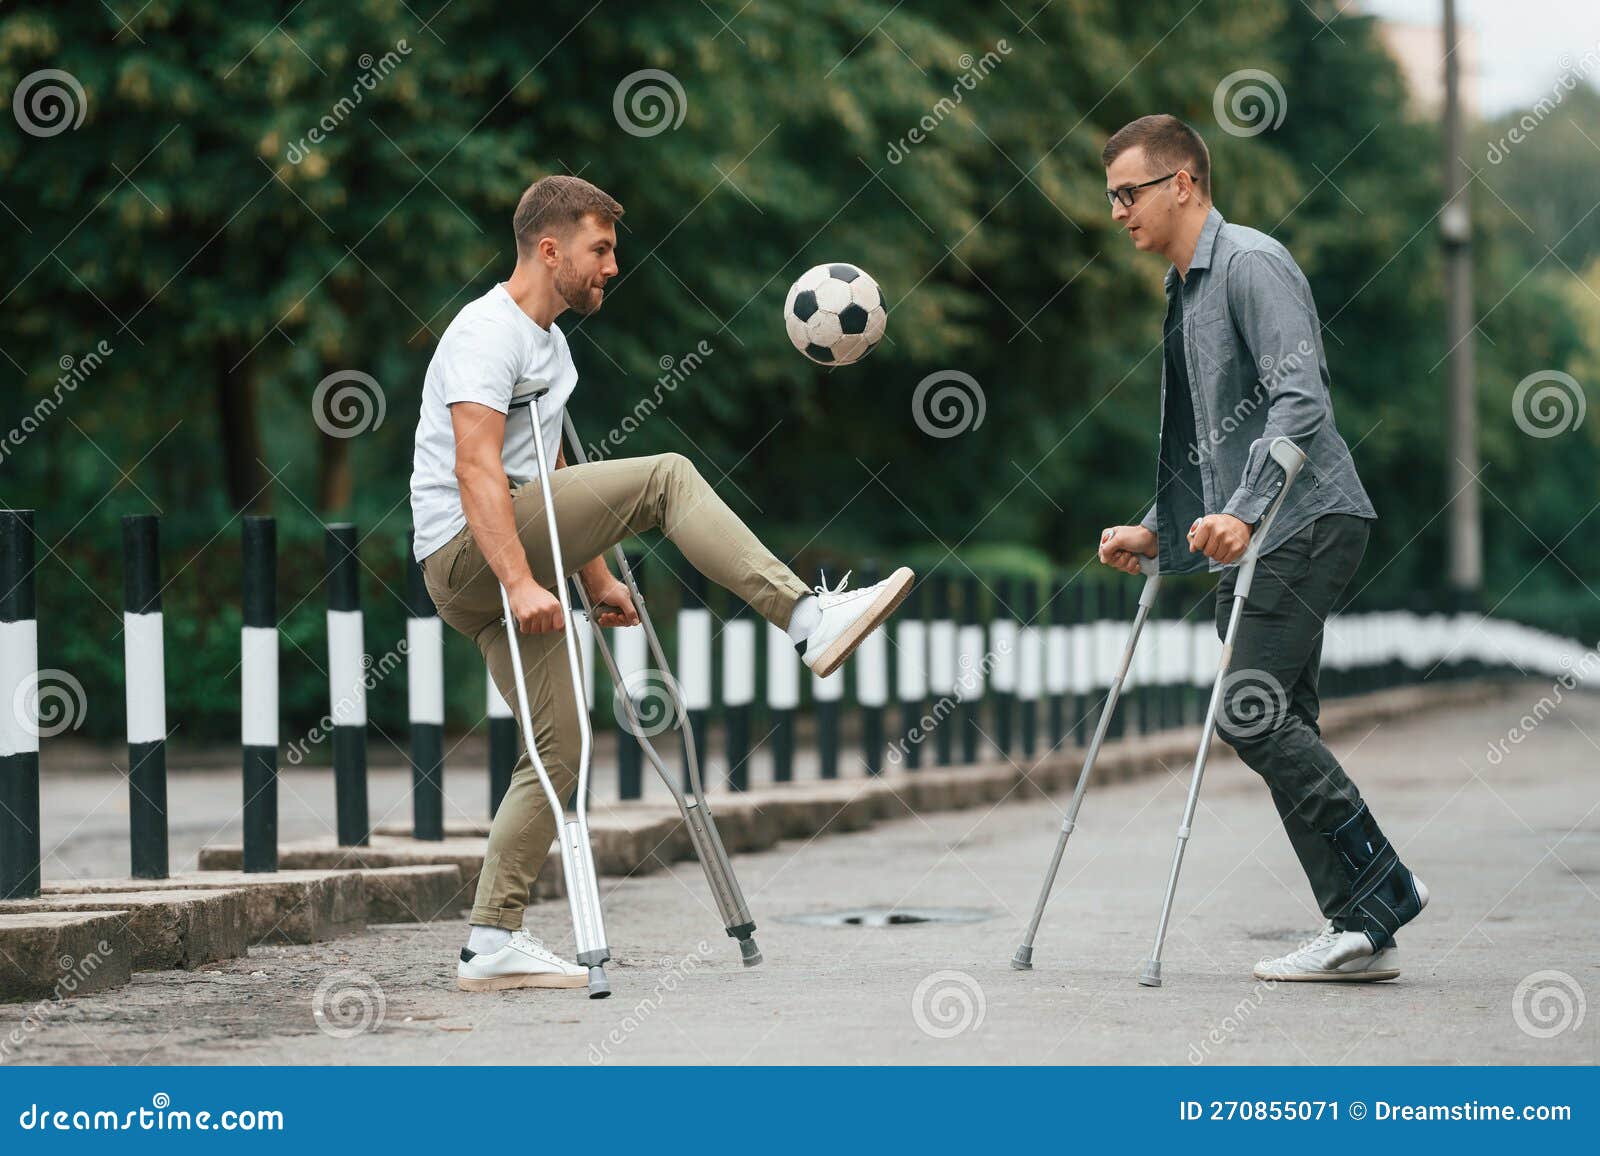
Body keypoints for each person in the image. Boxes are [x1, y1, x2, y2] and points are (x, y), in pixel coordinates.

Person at [409, 174, 913, 992]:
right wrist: (520, 579)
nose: (611, 267)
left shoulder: (553, 345)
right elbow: (476, 467)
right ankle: (804, 618)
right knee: (667, 478)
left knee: (557, 753)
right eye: (599, 249)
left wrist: (596, 575)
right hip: (472, 555)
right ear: (550, 248)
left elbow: (553, 469)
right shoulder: (484, 332)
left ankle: (489, 940)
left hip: (508, 557)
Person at [1094, 115, 1428, 982]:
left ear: (1183, 183)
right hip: (1265, 529)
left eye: (1128, 193)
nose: (1118, 212)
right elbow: (1215, 446)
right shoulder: (1186, 290)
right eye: (1110, 199)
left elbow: (1300, 400)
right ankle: (1361, 927)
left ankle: (1382, 882)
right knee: (1283, 718)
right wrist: (1162, 533)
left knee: (1248, 707)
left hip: (1307, 519)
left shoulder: (1250, 265)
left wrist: (1244, 512)